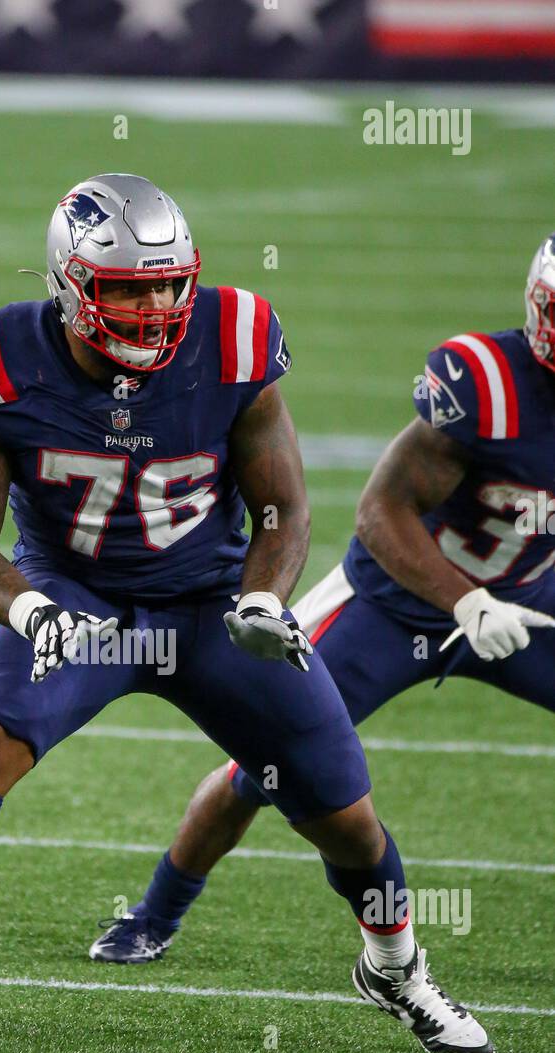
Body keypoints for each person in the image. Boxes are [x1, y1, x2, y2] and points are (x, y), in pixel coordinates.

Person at [0, 173, 492, 1053]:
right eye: (130, 290)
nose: (158, 307)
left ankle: (396, 968)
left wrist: (261, 598)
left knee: (345, 815)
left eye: (172, 284)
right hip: (76, 599)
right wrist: (32, 609)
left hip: (208, 603)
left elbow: (281, 507)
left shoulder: (235, 338)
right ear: (70, 284)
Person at [93, 234, 555, 1002]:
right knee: (261, 769)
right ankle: (155, 914)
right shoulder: (487, 382)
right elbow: (379, 512)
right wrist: (465, 601)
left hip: (527, 598)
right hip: (393, 602)